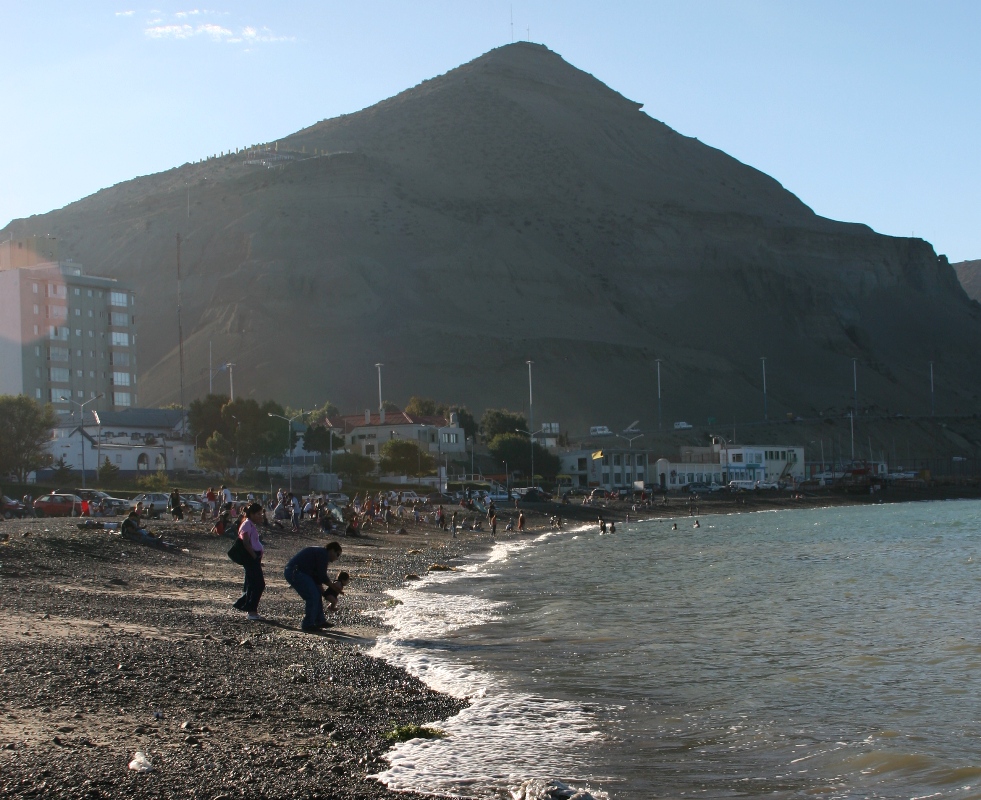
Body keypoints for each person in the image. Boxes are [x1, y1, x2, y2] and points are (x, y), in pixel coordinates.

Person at [283, 542, 343, 632]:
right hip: (295, 572)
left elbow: (317, 579)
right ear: (331, 550)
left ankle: (320, 621)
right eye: (337, 554)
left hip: (300, 573)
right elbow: (322, 576)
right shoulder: (323, 554)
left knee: (316, 593)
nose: (337, 558)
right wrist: (334, 588)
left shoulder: (321, 554)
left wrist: (325, 594)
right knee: (313, 595)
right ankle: (308, 625)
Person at [233, 502, 266, 621]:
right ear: (251, 514)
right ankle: (251, 610)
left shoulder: (250, 524)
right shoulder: (247, 524)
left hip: (254, 559)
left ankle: (250, 608)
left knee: (253, 584)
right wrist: (254, 557)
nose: (260, 516)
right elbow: (246, 543)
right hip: (251, 559)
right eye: (258, 514)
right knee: (257, 584)